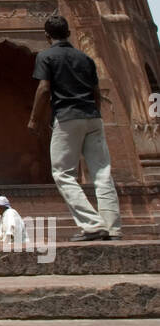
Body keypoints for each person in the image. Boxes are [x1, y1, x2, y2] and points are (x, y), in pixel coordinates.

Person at [28, 13, 121, 241]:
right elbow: (96, 92)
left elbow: (44, 89)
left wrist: (34, 119)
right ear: (68, 33)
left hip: (68, 117)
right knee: (102, 173)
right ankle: (112, 227)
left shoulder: (46, 56)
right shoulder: (85, 58)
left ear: (47, 36)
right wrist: (94, 112)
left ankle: (92, 225)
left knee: (63, 173)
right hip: (92, 116)